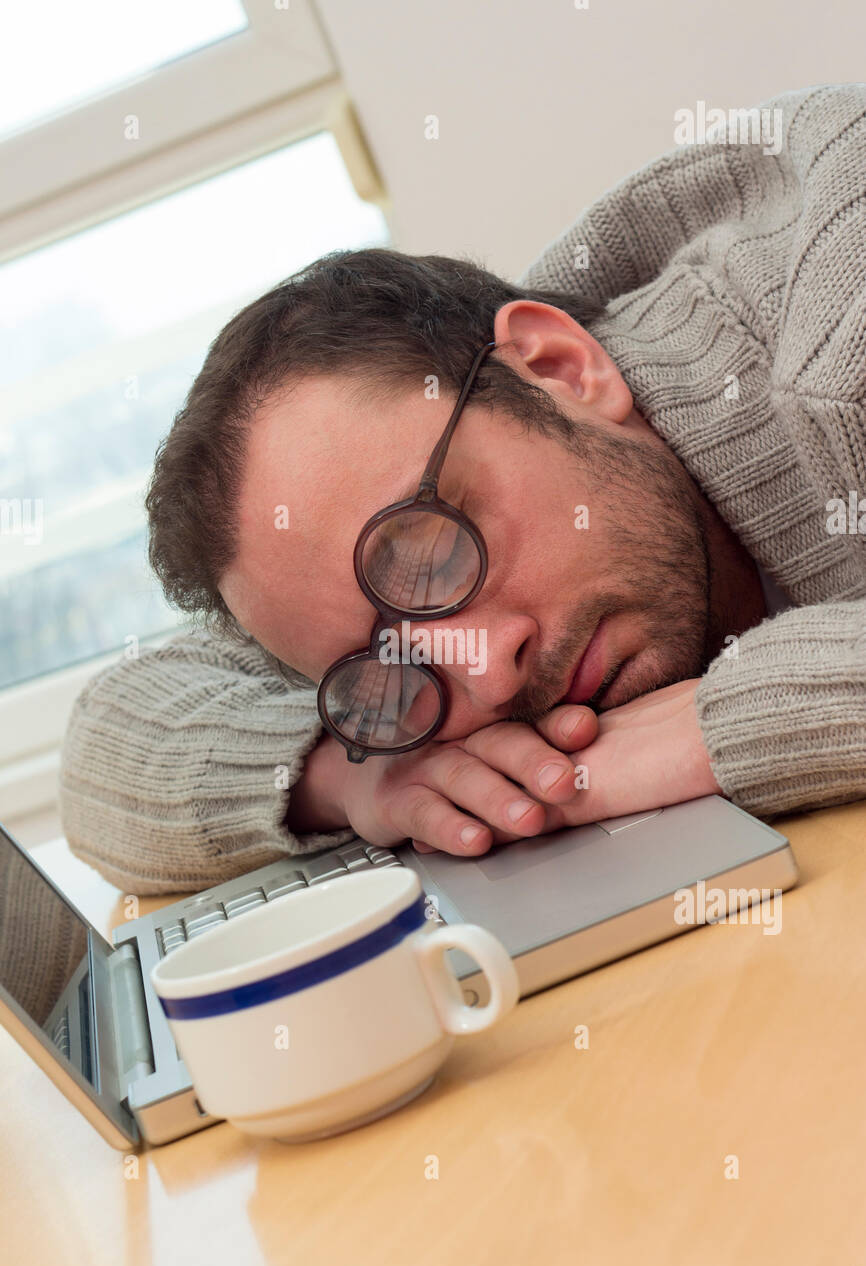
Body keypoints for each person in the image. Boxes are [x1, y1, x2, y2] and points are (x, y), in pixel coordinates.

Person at [60, 83, 866, 893]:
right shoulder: (362, 597)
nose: (489, 678)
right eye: (392, 667)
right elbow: (108, 752)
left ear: (561, 368)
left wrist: (718, 728)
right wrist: (362, 780)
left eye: (432, 557)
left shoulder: (840, 340)